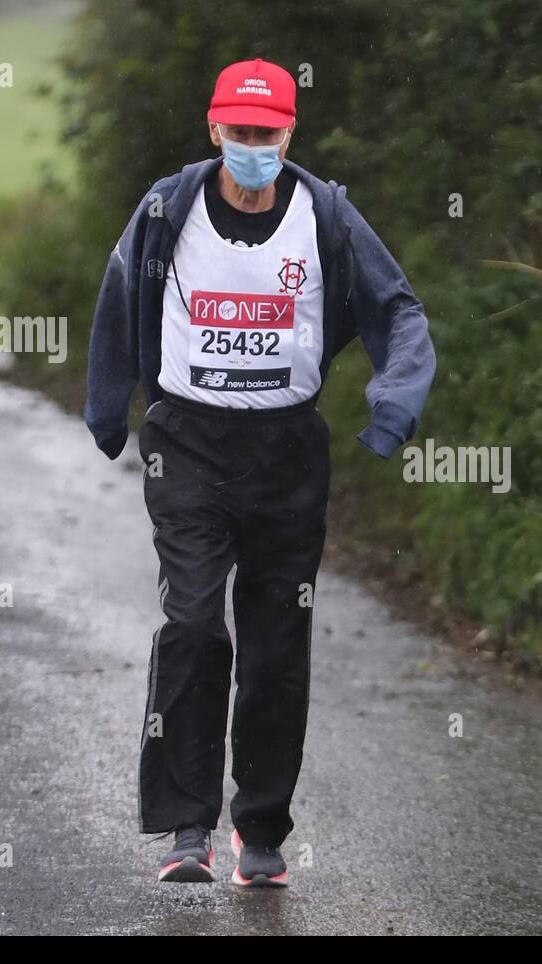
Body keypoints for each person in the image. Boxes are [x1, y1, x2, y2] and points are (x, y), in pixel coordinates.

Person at [83, 57, 436, 886]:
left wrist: (393, 408)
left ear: (289, 135)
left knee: (276, 646)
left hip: (287, 453)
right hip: (189, 445)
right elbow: (119, 290)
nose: (252, 148)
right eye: (238, 133)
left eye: (266, 135)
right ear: (214, 130)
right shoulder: (169, 208)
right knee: (196, 625)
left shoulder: (326, 217)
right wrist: (109, 410)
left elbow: (398, 309)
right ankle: (184, 827)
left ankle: (262, 829)